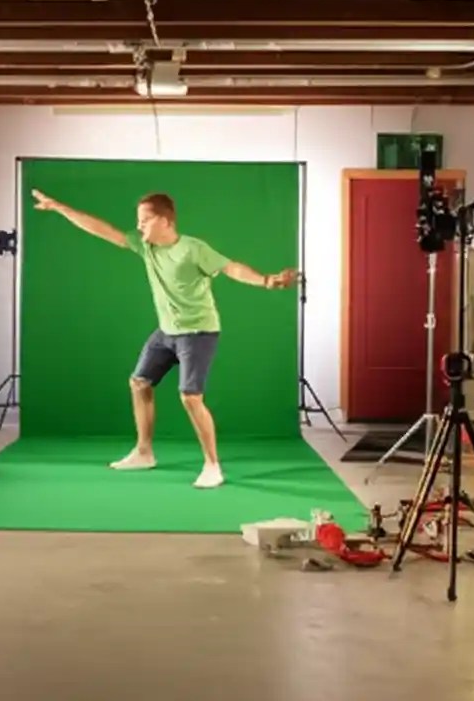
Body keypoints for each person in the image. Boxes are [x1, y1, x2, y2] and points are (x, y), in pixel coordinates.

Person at [31, 189, 298, 488]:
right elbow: (103, 230)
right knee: (139, 382)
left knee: (190, 397)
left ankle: (213, 466)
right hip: (166, 332)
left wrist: (265, 280)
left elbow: (230, 267)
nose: (140, 226)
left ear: (165, 221)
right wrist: (58, 207)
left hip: (198, 332)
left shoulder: (193, 249)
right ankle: (144, 453)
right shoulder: (146, 248)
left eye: (145, 220)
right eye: (139, 221)